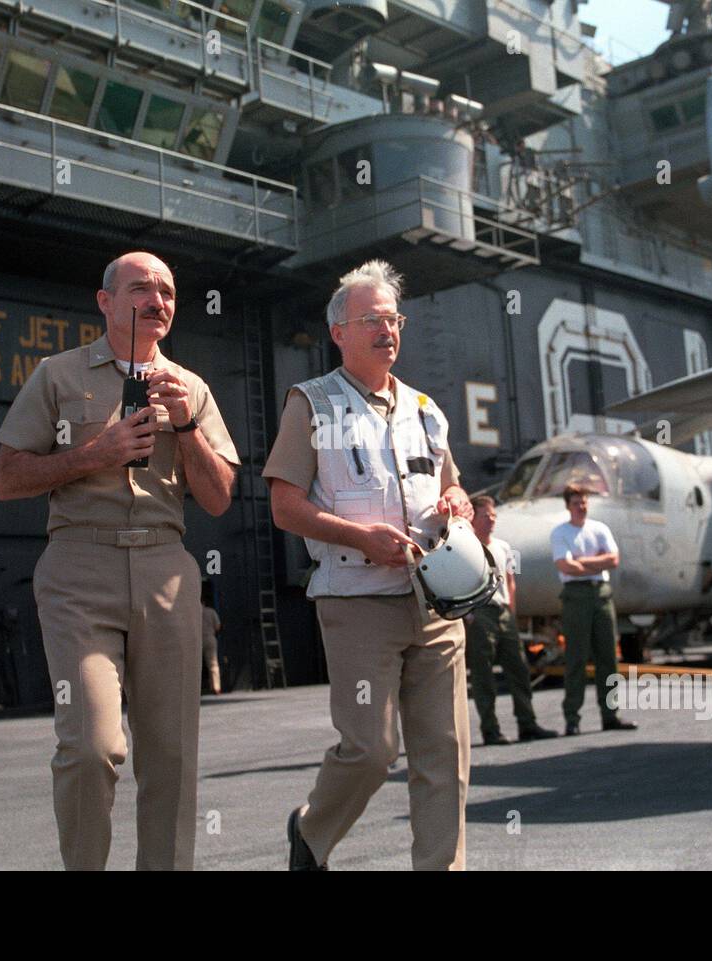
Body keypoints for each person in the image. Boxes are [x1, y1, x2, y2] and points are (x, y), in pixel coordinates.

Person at [0, 251, 240, 870]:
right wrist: (94, 453)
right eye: (141, 288)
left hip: (166, 570)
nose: (158, 300)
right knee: (91, 747)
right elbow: (7, 478)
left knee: (172, 757)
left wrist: (187, 428)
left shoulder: (194, 389)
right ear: (104, 301)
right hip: (80, 567)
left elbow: (217, 498)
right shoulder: (57, 375)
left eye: (168, 291)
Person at [263, 259, 475, 871]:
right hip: (357, 600)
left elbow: (453, 486)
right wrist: (360, 536)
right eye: (372, 320)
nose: (388, 330)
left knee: (445, 753)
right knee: (372, 748)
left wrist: (458, 501)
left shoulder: (427, 409)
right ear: (339, 332)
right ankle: (311, 830)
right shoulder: (313, 404)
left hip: (436, 602)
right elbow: (284, 506)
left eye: (394, 318)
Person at [466, 495, 557, 746]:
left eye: (494, 515)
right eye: (486, 516)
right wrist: (470, 614)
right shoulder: (465, 548)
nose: (491, 520)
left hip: (504, 612)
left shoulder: (506, 547)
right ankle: (490, 729)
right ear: (472, 518)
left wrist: (512, 613)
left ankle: (527, 723)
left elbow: (511, 581)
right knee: (483, 674)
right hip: (480, 611)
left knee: (518, 669)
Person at [550, 483, 637, 735]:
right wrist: (596, 563)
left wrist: (583, 562)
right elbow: (565, 567)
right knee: (576, 658)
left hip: (601, 594)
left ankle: (610, 714)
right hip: (575, 596)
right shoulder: (561, 533)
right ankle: (572, 718)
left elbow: (614, 560)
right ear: (568, 506)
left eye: (584, 501)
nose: (581, 506)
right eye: (576, 502)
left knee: (608, 658)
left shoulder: (600, 529)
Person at [201, 599, 222, 696]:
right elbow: (218, 626)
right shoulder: (211, 611)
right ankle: (216, 687)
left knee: (193, 665)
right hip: (209, 638)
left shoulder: (192, 612)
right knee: (213, 663)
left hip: (196, 640)